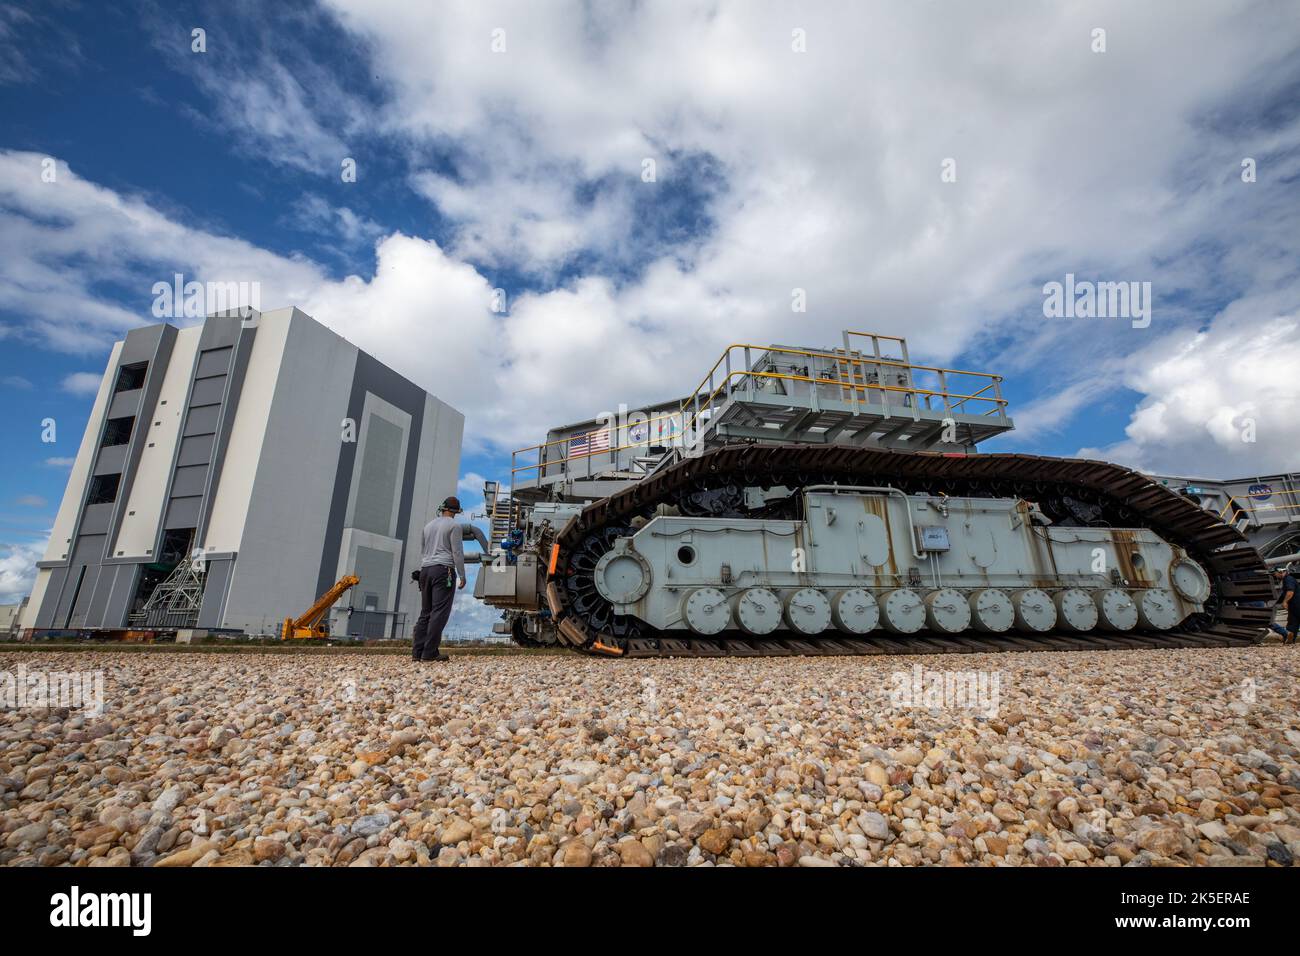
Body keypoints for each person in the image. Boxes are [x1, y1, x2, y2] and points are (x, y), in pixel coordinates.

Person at [411, 496, 467, 662]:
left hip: (425, 570)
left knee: (425, 612)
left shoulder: (428, 526)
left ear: (442, 508)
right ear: (456, 511)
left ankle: (417, 652)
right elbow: (457, 552)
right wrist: (462, 574)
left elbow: (423, 550)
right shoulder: (454, 526)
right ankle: (430, 653)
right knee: (439, 612)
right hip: (443, 570)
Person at [1273, 565, 1299, 645]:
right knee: (1292, 622)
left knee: (1293, 621)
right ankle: (1290, 640)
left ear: (1280, 572)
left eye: (1275, 573)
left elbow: (1290, 591)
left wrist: (1285, 602)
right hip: (1294, 606)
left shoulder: (1288, 579)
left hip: (1297, 604)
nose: (1275, 575)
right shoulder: (1286, 579)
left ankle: (1290, 638)